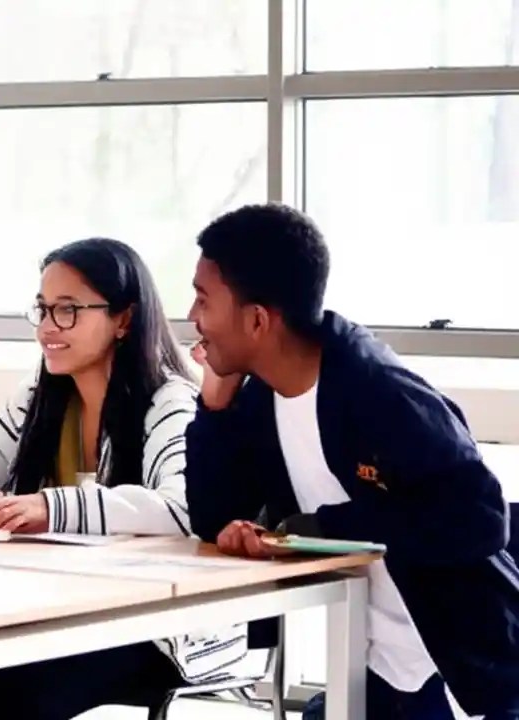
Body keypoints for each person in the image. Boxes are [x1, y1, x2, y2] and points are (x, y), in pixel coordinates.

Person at [0, 238, 246, 720]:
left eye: (68, 311)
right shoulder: (41, 400)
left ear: (124, 319)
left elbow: (182, 509)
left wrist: (51, 506)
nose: (49, 328)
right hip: (53, 612)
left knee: (2, 684)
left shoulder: (169, 400)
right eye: (44, 309)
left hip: (159, 630)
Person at [185, 203, 519, 719]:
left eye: (203, 300)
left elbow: (481, 519)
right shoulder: (260, 400)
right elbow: (211, 519)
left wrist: (315, 529)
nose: (192, 318)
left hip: (461, 673)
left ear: (256, 320)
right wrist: (215, 405)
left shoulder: (380, 392)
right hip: (372, 670)